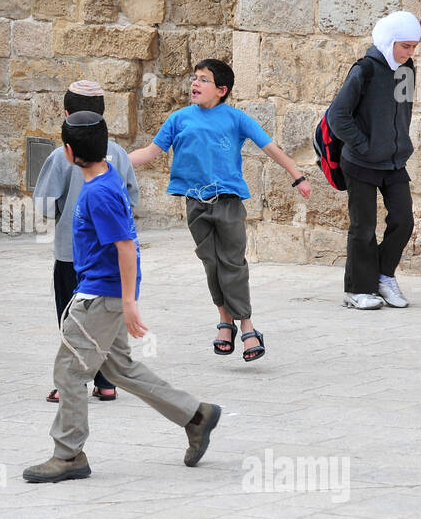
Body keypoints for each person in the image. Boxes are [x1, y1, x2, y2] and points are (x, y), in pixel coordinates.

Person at [23, 111, 222, 484]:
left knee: (69, 371)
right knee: (119, 369)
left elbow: (127, 247)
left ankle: (68, 455)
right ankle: (197, 416)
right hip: (105, 294)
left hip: (99, 297)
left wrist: (129, 301)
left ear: (67, 152)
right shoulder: (106, 178)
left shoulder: (98, 192)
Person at [129, 59, 311, 363]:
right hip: (195, 204)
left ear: (222, 90)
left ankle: (247, 326)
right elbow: (150, 152)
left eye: (203, 80)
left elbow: (269, 147)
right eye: (194, 78)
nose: (195, 84)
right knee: (212, 264)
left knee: (233, 264)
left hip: (227, 201)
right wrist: (112, 163)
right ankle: (224, 322)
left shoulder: (236, 118)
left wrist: (297, 175)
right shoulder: (178, 119)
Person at [33, 80, 139, 403]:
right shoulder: (119, 154)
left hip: (70, 255)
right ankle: (106, 382)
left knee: (72, 320)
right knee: (103, 321)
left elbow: (43, 206)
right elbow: (131, 198)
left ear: (66, 115)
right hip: (107, 260)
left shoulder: (60, 156)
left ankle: (72, 382)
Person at [327, 11, 421, 310]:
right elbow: (337, 116)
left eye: (414, 47)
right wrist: (364, 145)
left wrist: (399, 144)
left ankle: (382, 275)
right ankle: (357, 290)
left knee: (404, 221)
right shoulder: (364, 70)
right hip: (361, 162)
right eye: (405, 46)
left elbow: (402, 111)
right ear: (389, 41)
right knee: (363, 228)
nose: (410, 52)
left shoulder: (407, 71)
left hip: (394, 162)